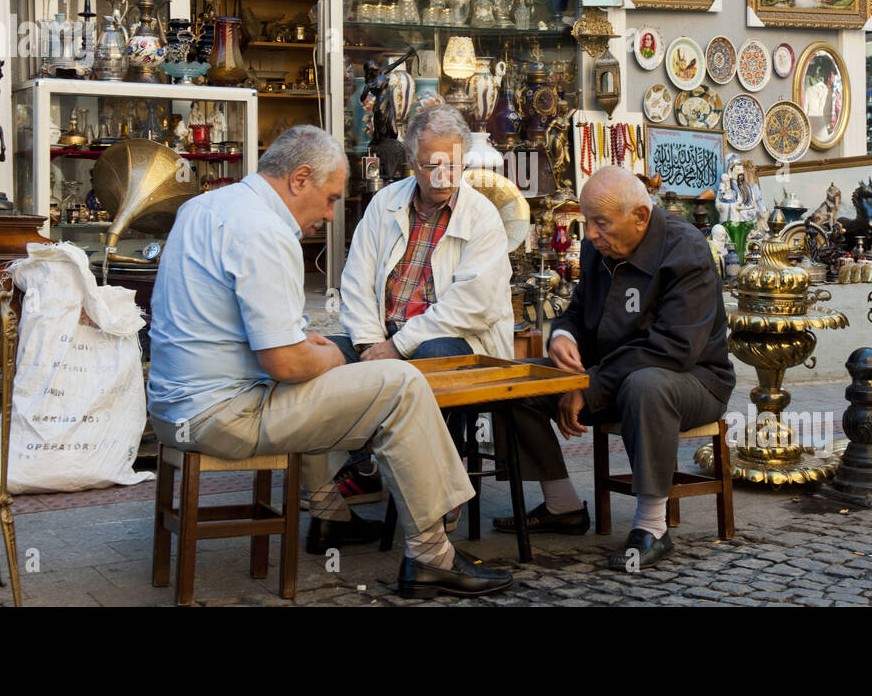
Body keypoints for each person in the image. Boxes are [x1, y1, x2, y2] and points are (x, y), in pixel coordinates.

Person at [146, 125, 512, 599]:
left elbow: (262, 339)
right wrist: (334, 356)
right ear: (300, 178)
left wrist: (322, 352)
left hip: (171, 410)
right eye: (331, 198)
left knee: (358, 370)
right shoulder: (264, 230)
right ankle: (431, 553)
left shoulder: (204, 206)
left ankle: (331, 513)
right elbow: (285, 364)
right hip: (221, 414)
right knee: (400, 385)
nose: (329, 213)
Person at [492, 165, 735, 569]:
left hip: (695, 380)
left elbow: (673, 349)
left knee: (647, 385)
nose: (589, 234)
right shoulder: (597, 249)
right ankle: (563, 504)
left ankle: (652, 526)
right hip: (608, 374)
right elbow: (578, 313)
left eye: (600, 223)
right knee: (516, 382)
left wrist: (589, 385)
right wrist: (563, 338)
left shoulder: (686, 251)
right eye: (587, 222)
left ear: (640, 217)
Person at [327, 105, 514, 510]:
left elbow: (473, 306)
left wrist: (397, 347)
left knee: (430, 358)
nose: (446, 176)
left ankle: (432, 491)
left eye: (455, 164)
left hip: (460, 343)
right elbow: (356, 280)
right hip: (384, 337)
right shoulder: (384, 204)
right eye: (433, 165)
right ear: (411, 162)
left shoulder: (483, 216)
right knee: (320, 357)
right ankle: (361, 474)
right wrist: (367, 344)